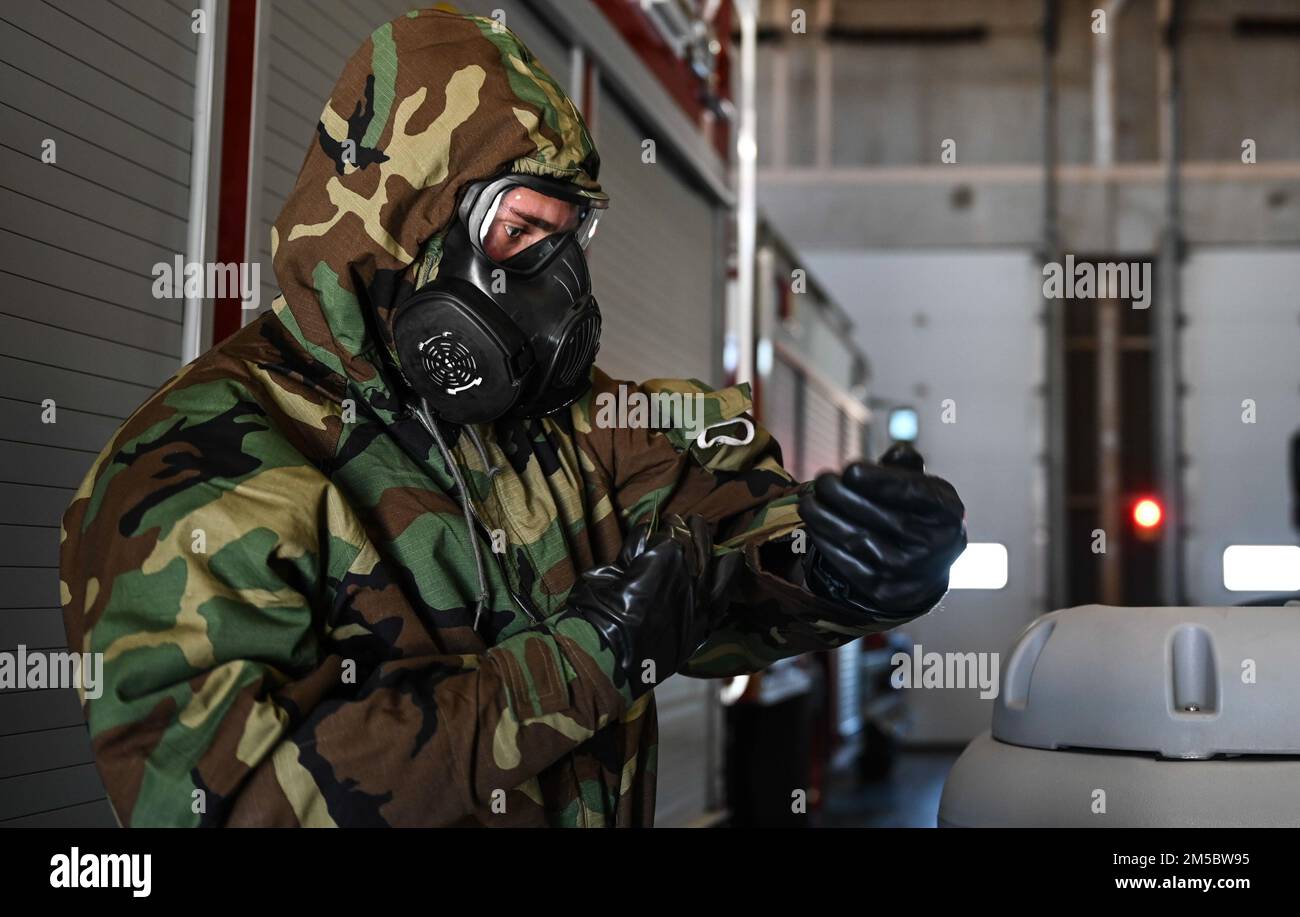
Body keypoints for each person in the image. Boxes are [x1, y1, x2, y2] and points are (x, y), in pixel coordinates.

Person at [59, 8, 965, 827]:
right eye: (520, 234)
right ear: (403, 228)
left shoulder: (564, 421)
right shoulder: (205, 459)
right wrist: (582, 663)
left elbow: (713, 551)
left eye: (568, 240)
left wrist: (838, 561)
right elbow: (232, 803)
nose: (558, 288)